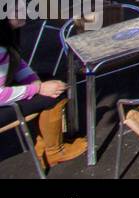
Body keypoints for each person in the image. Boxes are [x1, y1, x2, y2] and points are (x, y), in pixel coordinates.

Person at [0, 17, 86, 168]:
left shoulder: (6, 39)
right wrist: (38, 89)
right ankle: (55, 152)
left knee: (50, 81)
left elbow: (17, 62)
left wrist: (35, 81)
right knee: (55, 94)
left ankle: (43, 145)